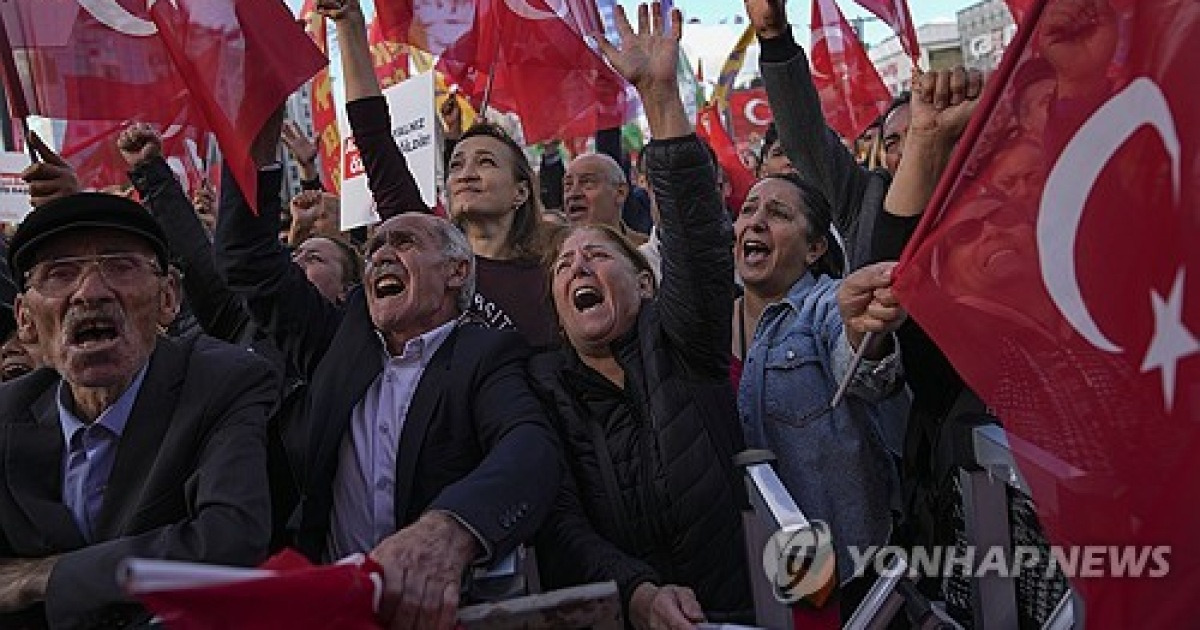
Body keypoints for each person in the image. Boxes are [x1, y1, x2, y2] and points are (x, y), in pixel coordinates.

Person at [216, 102, 561, 630]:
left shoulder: (486, 356)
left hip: (436, 613)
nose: (380, 254)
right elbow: (247, 262)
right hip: (326, 606)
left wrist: (449, 530)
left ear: (456, 271)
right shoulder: (338, 338)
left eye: (404, 242)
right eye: (376, 245)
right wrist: (252, 151)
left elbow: (530, 447)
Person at [530, 6, 752, 628]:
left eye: (597, 254)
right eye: (563, 265)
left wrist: (660, 100)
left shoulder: (684, 342)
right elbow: (562, 523)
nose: (576, 267)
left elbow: (698, 242)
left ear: (647, 281)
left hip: (733, 611)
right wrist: (639, 593)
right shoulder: (546, 389)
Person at [0, 193, 276, 628]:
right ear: (25, 319)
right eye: (60, 274)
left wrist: (49, 576)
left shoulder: (222, 382)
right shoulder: (7, 413)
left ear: (168, 298)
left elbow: (229, 541)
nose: (90, 292)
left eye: (121, 267)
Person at [325, 0, 558, 348]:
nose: (466, 174)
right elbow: (373, 139)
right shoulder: (422, 248)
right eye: (456, 164)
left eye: (486, 162)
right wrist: (350, 27)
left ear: (520, 192)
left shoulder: (554, 280)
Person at [732, 171, 909, 609]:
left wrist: (864, 332)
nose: (755, 222)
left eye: (777, 214)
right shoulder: (708, 322)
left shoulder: (827, 305)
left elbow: (868, 373)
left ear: (815, 248)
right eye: (747, 210)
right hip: (753, 578)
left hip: (844, 578)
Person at [746, 0, 981, 270]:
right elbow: (805, 138)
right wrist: (775, 40)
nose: (910, 148)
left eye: (922, 132)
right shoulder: (864, 200)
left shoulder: (998, 192)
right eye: (893, 141)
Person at [562, 152, 649, 246]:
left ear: (620, 192)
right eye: (568, 185)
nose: (573, 194)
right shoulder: (552, 253)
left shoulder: (647, 253)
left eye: (587, 183)